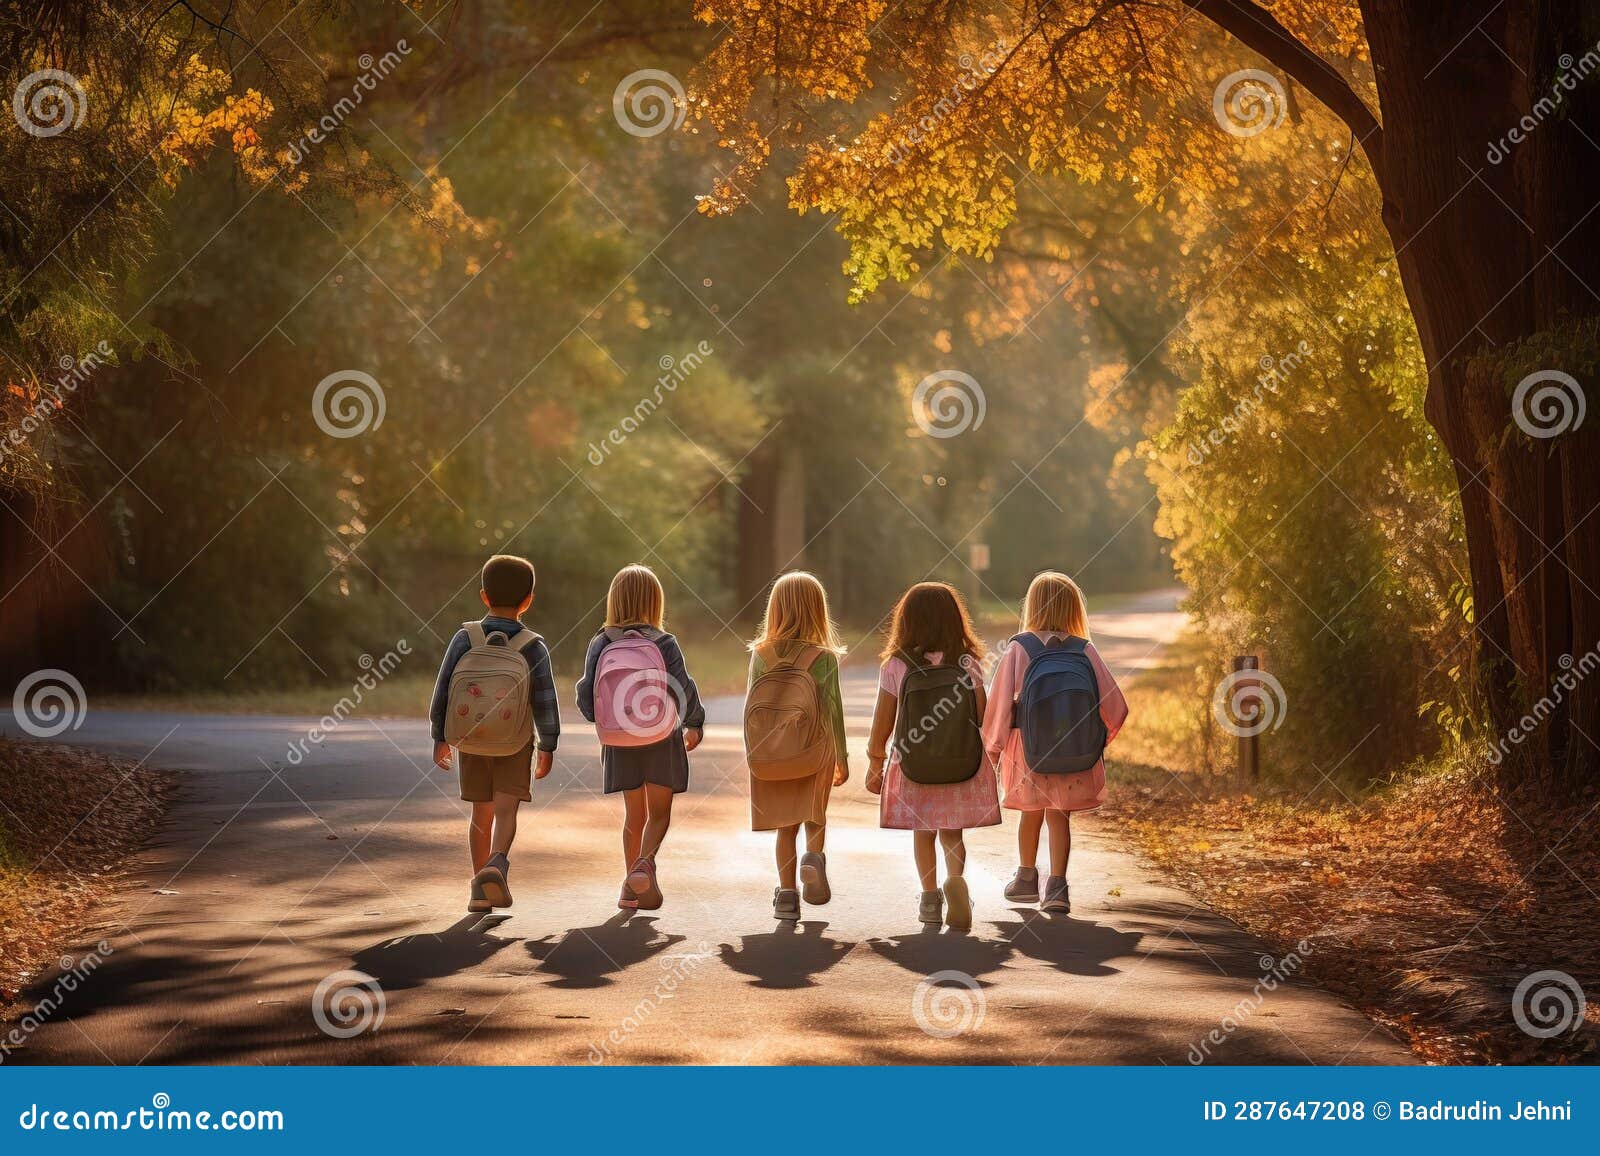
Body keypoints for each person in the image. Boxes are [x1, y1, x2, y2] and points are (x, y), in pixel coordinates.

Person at [982, 570, 1128, 914]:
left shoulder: (1019, 647)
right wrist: (1094, 742)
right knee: (1059, 817)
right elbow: (1117, 708)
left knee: (1030, 813)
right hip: (1074, 754)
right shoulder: (1085, 650)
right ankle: (1058, 888)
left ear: (1031, 605)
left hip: (1027, 753)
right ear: (1075, 608)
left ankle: (1025, 879)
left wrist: (992, 750)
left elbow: (1000, 705)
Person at [865, 582, 1000, 928]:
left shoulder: (896, 665)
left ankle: (929, 899)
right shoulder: (967, 662)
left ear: (906, 621)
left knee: (922, 832)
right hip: (960, 761)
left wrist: (875, 760)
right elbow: (981, 714)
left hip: (914, 764)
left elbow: (884, 720)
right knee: (951, 832)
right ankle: (956, 880)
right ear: (955, 620)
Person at [431, 554, 560, 913]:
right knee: (506, 810)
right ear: (528, 600)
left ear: (484, 596)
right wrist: (548, 744)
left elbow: (444, 688)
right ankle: (496, 864)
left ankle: (479, 888)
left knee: (480, 814)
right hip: (514, 743)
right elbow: (544, 699)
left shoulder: (465, 638)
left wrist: (439, 735)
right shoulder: (533, 646)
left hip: (471, 738)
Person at [576, 564, 705, 911]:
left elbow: (587, 693)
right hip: (660, 736)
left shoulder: (600, 642)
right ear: (656, 602)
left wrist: (603, 721)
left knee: (634, 816)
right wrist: (694, 723)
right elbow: (682, 688)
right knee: (659, 814)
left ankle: (629, 890)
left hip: (619, 741)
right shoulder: (664, 642)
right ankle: (643, 866)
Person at [744, 571, 849, 922]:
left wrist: (755, 753)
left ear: (775, 610)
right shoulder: (823, 658)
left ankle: (787, 896)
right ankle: (813, 858)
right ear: (818, 611)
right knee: (813, 814)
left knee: (785, 826)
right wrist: (842, 758)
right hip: (816, 751)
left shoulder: (761, 655)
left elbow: (751, 709)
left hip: (774, 753)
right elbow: (834, 709)